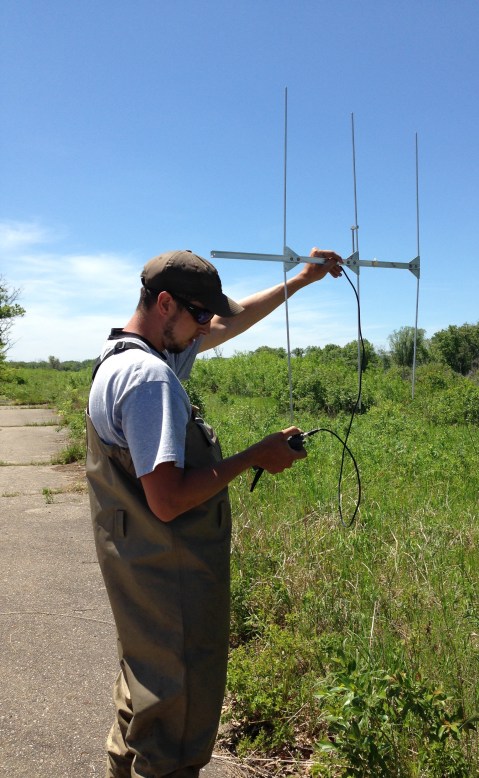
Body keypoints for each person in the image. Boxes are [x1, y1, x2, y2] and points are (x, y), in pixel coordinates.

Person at [86, 247, 342, 778]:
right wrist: (256, 456)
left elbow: (235, 317)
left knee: (146, 680)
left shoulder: (125, 357)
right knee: (178, 710)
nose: (208, 327)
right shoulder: (151, 380)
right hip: (170, 577)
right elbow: (169, 498)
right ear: (165, 304)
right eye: (199, 315)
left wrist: (301, 280)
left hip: (138, 568)